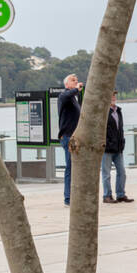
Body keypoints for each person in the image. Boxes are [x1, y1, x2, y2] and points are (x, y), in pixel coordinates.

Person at [102, 90, 133, 204]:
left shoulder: (118, 111)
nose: (113, 97)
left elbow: (120, 129)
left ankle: (120, 194)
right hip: (107, 149)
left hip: (118, 148)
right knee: (106, 174)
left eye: (114, 95)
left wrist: (122, 142)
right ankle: (107, 196)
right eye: (111, 95)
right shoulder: (103, 112)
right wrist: (106, 143)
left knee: (122, 172)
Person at [56, 74, 82, 206]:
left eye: (77, 80)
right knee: (70, 167)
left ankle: (75, 196)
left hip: (76, 137)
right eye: (73, 80)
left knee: (75, 167)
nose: (76, 82)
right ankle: (68, 198)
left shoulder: (73, 98)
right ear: (66, 84)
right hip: (68, 137)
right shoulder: (64, 96)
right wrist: (76, 89)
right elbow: (66, 96)